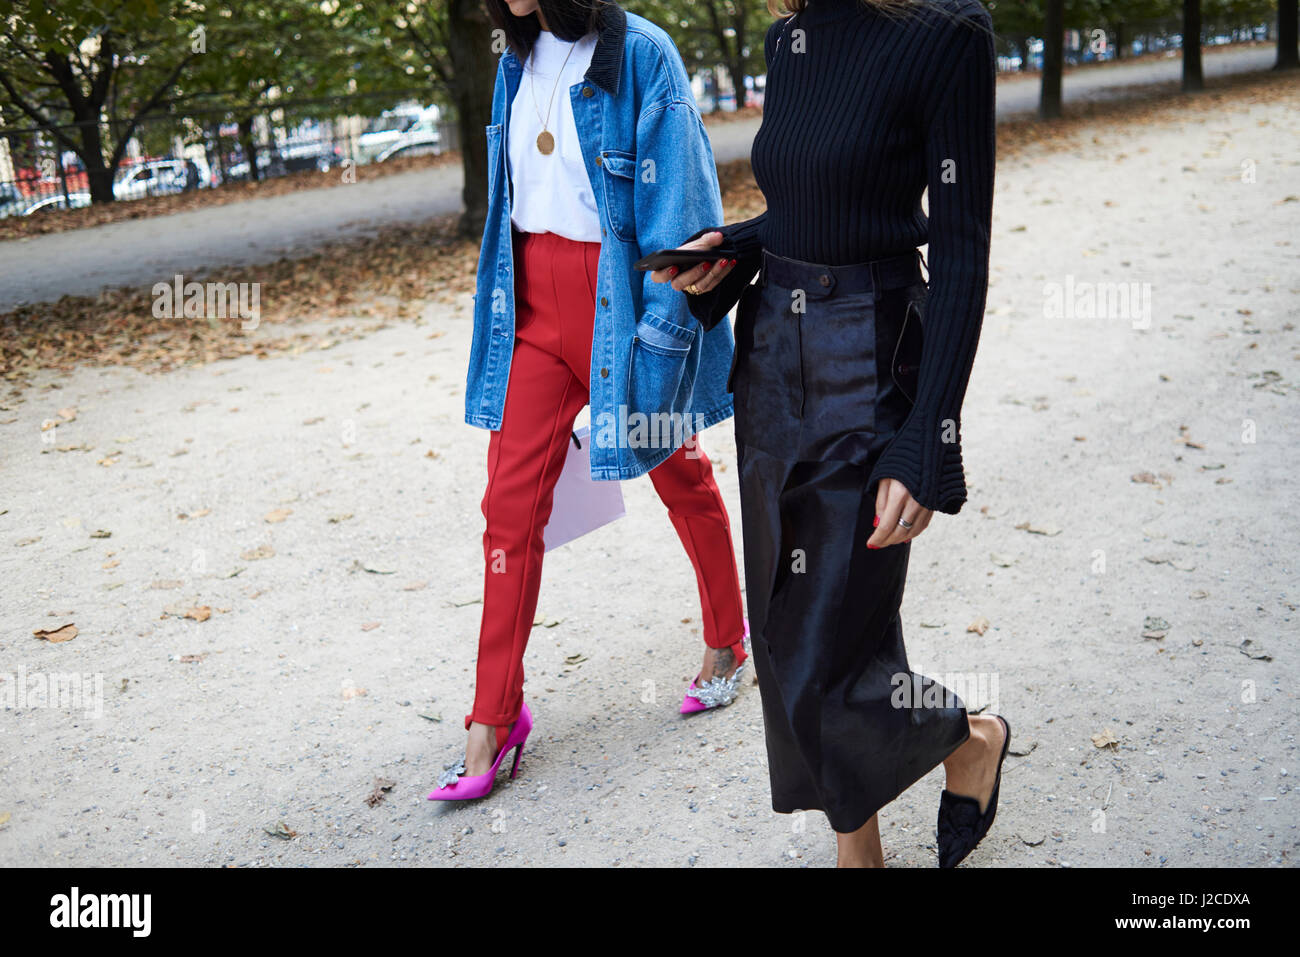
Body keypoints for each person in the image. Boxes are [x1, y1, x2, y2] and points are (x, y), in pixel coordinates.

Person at [652, 0, 1010, 867]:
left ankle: (965, 744)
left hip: (873, 353)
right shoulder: (793, 37)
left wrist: (929, 436)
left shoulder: (948, 36)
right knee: (781, 628)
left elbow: (961, 249)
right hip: (773, 346)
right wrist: (733, 249)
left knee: (828, 635)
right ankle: (904, 804)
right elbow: (807, 205)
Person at [430, 0, 749, 803]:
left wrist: (663, 340)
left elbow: (682, 217)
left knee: (678, 470)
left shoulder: (643, 55)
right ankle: (494, 717)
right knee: (508, 509)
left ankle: (728, 638)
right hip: (533, 312)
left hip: (620, 299)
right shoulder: (514, 57)